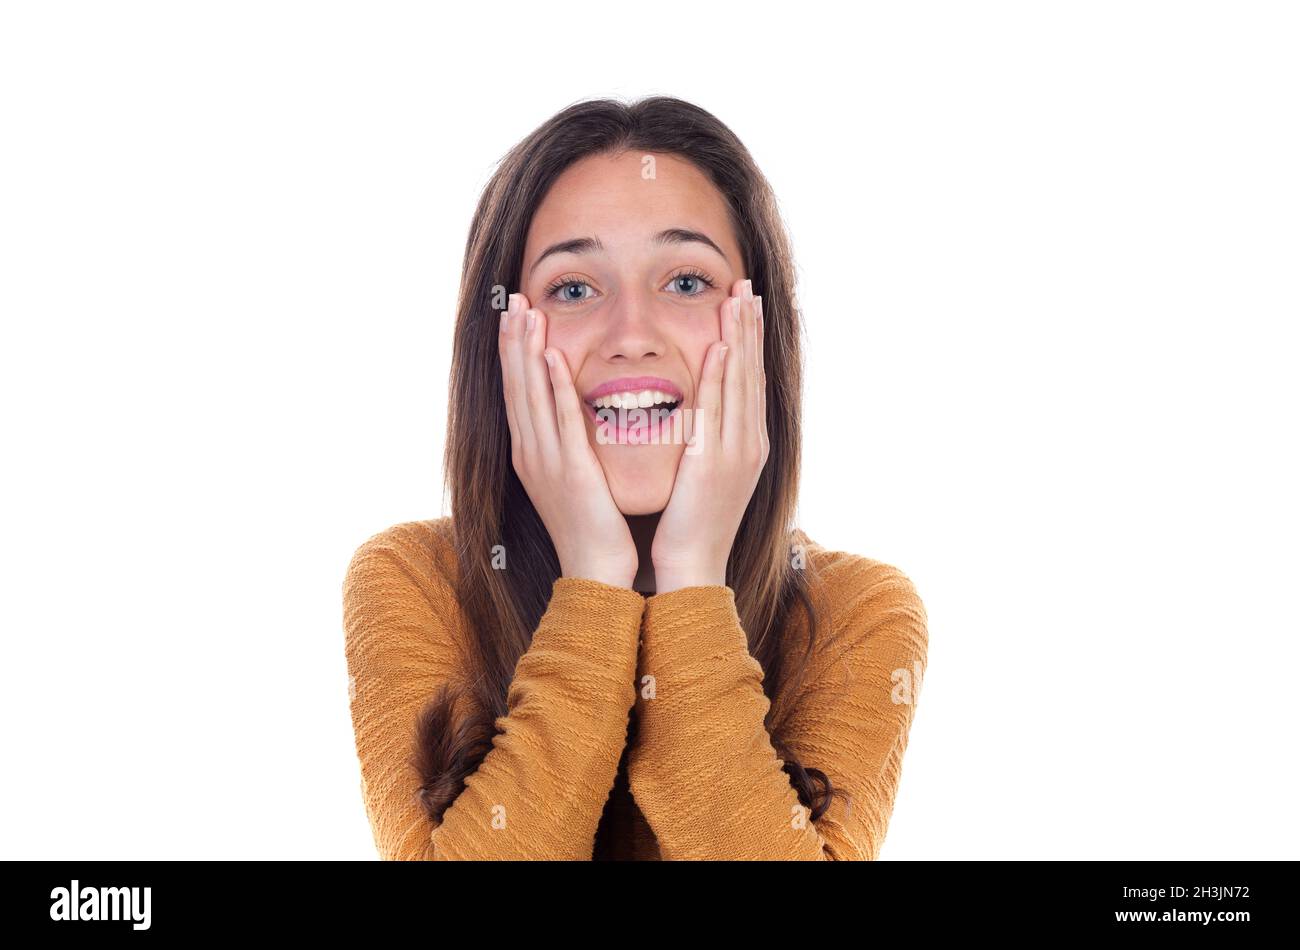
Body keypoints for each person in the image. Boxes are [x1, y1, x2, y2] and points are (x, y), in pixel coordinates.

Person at [342, 96, 929, 860]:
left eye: (685, 282)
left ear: (758, 329)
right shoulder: (414, 581)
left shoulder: (859, 613)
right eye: (574, 289)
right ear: (502, 335)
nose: (631, 337)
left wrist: (690, 581)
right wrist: (594, 581)